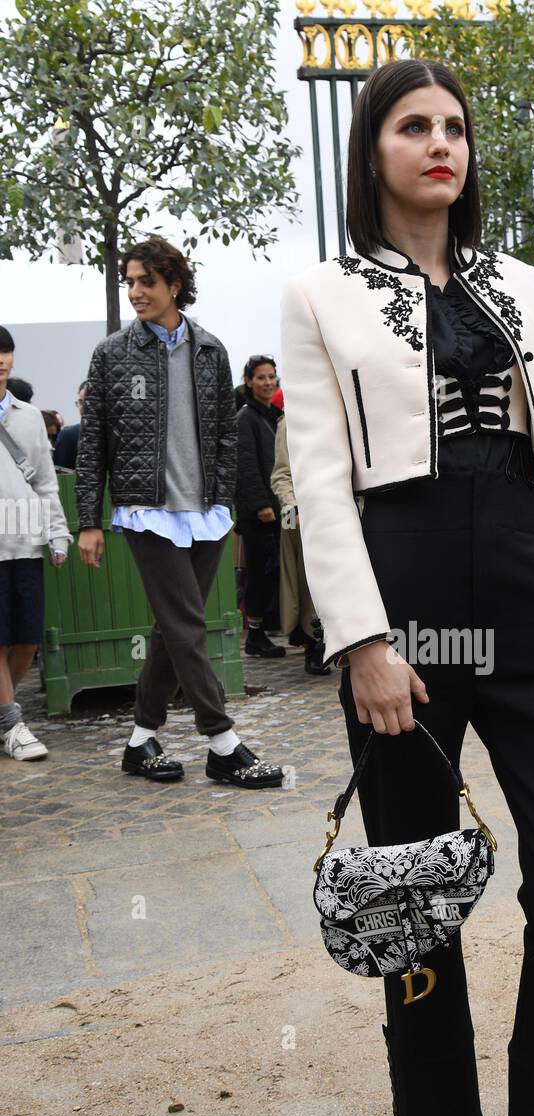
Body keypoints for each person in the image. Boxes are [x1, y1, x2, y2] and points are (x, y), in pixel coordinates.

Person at [280, 58, 534, 1116]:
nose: (441, 143)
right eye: (414, 125)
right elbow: (319, 481)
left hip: (530, 593)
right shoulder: (318, 291)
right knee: (412, 881)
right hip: (404, 601)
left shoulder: (519, 282)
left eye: (455, 127)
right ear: (373, 146)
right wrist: (362, 638)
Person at [76, 236, 283, 789]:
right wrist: (90, 521)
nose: (136, 292)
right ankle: (222, 742)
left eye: (146, 281)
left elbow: (223, 437)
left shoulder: (210, 350)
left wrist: (223, 497)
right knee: (187, 626)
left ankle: (141, 741)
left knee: (172, 631)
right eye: (130, 283)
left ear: (174, 285)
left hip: (207, 511)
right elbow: (93, 442)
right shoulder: (112, 354)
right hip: (147, 511)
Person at [0, 325, 72, 760]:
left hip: (24, 538)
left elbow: (46, 484)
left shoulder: (27, 416)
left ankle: (4, 715)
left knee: (26, 641)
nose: (1, 359)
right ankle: (11, 724)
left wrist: (57, 533)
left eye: (6, 351)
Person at [234, 354, 286, 658]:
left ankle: (264, 629)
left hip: (278, 507)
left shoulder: (274, 414)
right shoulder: (246, 418)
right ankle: (255, 633)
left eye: (271, 377)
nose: (268, 382)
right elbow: (246, 466)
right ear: (249, 381)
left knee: (274, 571)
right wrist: (260, 505)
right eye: (261, 377)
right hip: (260, 512)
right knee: (260, 572)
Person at [270, 408, 328, 675]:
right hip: (303, 514)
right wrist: (293, 509)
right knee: (307, 586)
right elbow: (282, 475)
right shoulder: (289, 421)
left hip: (343, 509)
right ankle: (313, 645)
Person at [54, 382, 86, 472]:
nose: (83, 407)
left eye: (89, 401)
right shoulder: (69, 435)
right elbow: (61, 475)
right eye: (81, 402)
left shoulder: (117, 433)